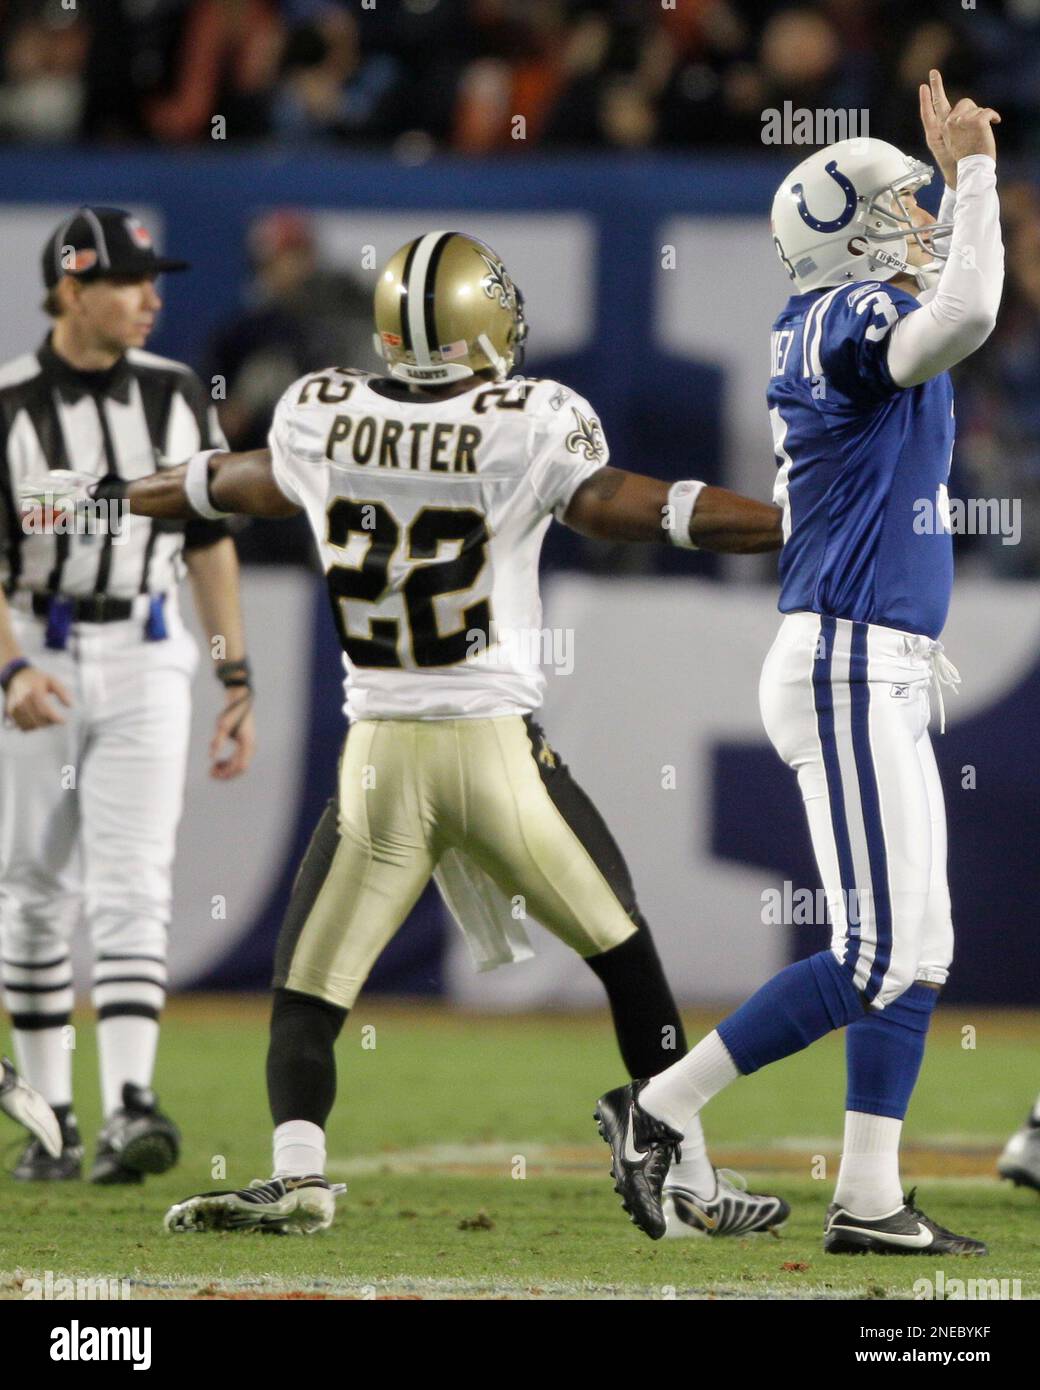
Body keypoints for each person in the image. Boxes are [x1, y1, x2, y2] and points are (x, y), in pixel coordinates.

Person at [41, 230, 784, 1236]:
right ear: (478, 322)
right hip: (488, 748)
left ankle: (298, 1174)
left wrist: (105, 499)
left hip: (378, 755)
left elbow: (228, 481)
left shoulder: (323, 415)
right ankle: (680, 1162)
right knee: (621, 950)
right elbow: (628, 509)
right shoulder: (529, 422)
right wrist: (788, 520)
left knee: (307, 987)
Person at [595, 71, 1004, 1254]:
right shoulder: (842, 320)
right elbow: (967, 313)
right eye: (906, 208)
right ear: (859, 231)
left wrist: (957, 186)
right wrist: (973, 173)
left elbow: (956, 304)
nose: (923, 224)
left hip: (864, 658)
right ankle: (659, 1109)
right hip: (842, 659)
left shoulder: (841, 315)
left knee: (916, 943)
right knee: (877, 947)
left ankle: (868, 1195)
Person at [0, 207, 255, 1184]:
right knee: (30, 889)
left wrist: (235, 672)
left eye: (154, 279)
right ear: (70, 287)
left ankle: (132, 1104)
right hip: (43, 648)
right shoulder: (10, 406)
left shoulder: (179, 393)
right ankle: (50, 1117)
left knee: (135, 878)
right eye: (128, 280)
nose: (152, 297)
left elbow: (208, 541)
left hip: (150, 647)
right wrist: (12, 666)